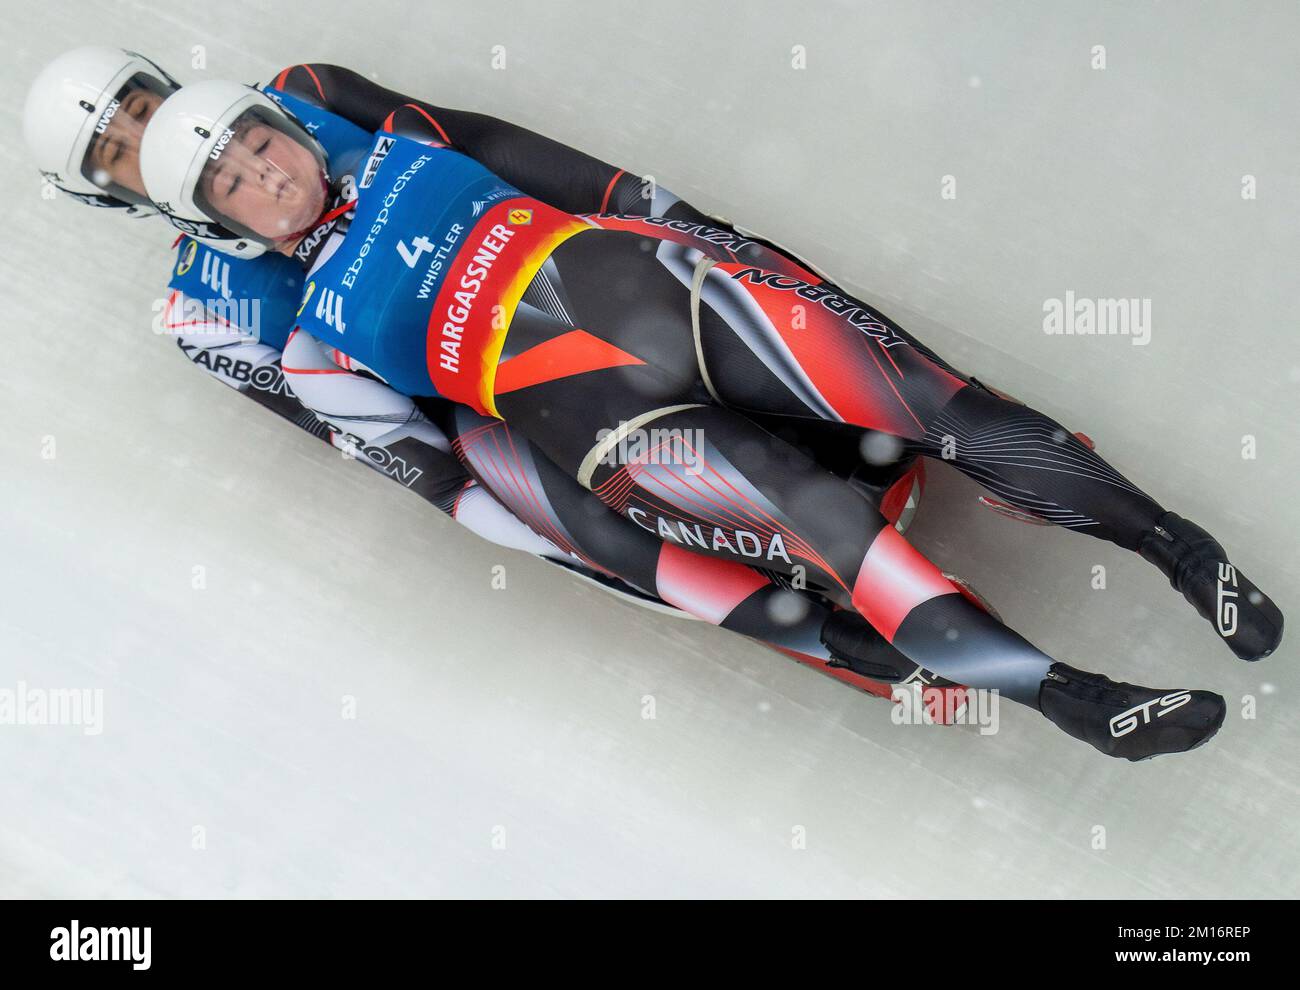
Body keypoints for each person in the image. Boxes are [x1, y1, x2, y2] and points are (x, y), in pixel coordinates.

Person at [136, 80, 1249, 760]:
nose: (266, 175)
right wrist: (582, 545)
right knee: (838, 536)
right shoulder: (314, 344)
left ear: (289, 125)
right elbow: (443, 472)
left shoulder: (394, 145)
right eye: (233, 183)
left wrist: (717, 240)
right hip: (617, 433)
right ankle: (1077, 701)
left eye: (261, 144)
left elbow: (570, 170)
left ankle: (1179, 547)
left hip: (679, 296)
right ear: (220, 224)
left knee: (928, 401)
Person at [24, 48, 963, 717]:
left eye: (141, 113)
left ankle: (945, 428)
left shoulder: (301, 96)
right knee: (583, 527)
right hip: (472, 399)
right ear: (104, 194)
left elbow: (483, 142)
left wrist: (648, 212)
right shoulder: (200, 309)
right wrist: (470, 504)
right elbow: (346, 426)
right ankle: (850, 647)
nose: (141, 146)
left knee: (713, 292)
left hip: (540, 272)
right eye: (116, 154)